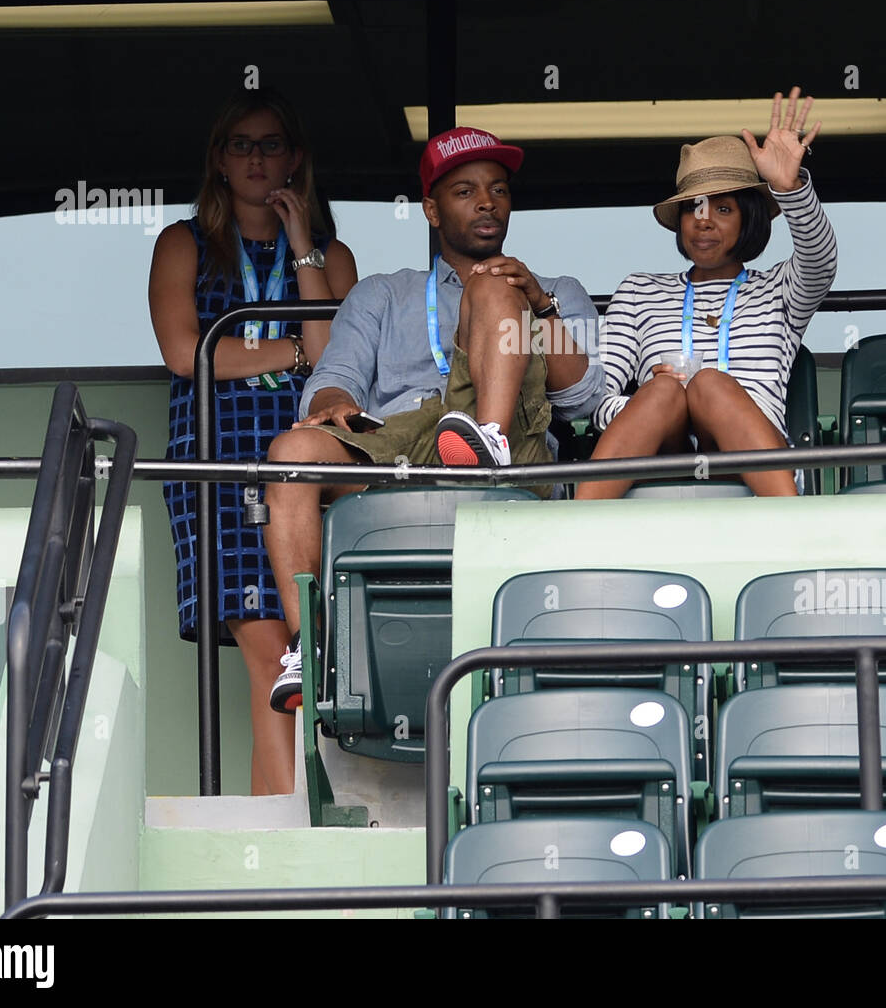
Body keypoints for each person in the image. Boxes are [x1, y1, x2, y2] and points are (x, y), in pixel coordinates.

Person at [262, 125, 603, 723]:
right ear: (431, 208)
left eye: (498, 190)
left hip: (507, 440)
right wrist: (339, 403)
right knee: (291, 451)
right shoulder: (382, 294)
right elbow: (331, 378)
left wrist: (538, 305)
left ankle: (484, 444)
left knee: (494, 286)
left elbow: (580, 398)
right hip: (404, 444)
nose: (487, 202)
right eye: (466, 190)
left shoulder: (552, 290)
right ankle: (306, 647)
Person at [149, 88, 357, 796]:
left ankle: (271, 824)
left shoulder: (337, 255)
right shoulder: (184, 242)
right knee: (268, 651)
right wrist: (291, 353)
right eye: (242, 143)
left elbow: (336, 361)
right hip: (217, 455)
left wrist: (304, 248)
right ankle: (284, 828)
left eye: (272, 143)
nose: (257, 158)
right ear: (219, 158)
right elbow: (186, 354)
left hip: (307, 464)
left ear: (295, 157)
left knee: (308, 649)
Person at [578, 87, 837, 499]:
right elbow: (594, 398)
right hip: (663, 461)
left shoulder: (777, 289)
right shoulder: (640, 290)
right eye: (693, 208)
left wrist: (791, 189)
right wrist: (649, 401)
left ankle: (794, 526)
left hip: (755, 467)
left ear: (748, 218)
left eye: (723, 209)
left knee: (710, 385)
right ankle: (575, 539)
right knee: (664, 391)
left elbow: (820, 260)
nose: (704, 222)